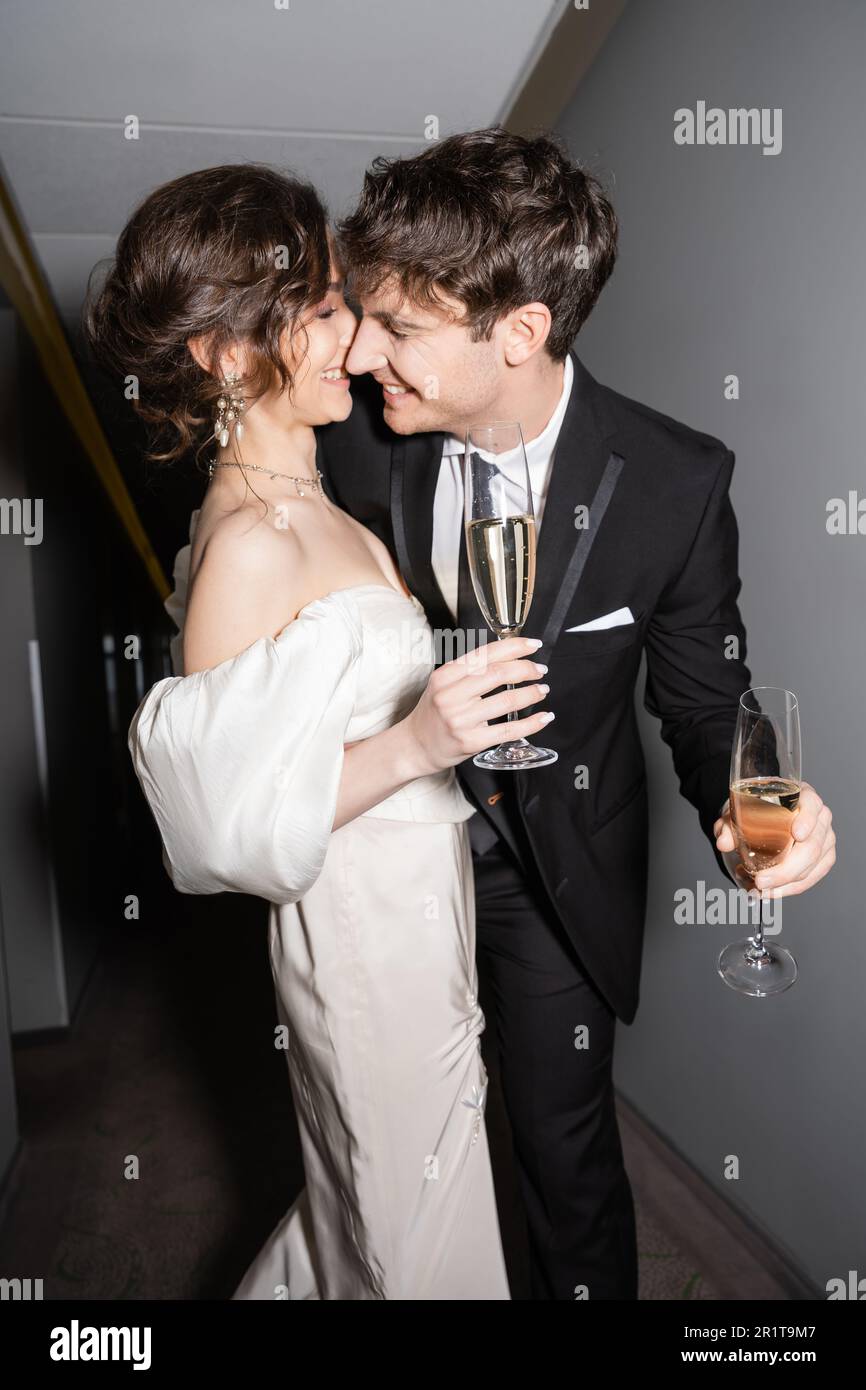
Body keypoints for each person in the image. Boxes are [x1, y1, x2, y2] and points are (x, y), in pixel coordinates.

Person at [317, 127, 838, 1300]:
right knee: (381, 1148)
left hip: (549, 870)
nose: (357, 349)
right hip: (377, 848)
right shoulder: (341, 439)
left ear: (518, 331)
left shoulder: (675, 480)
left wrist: (754, 798)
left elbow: (706, 700)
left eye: (395, 326)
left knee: (564, 1158)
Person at [83, 163, 557, 1299]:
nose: (356, 340)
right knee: (403, 1234)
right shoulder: (247, 541)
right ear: (226, 353)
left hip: (417, 909)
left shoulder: (318, 501)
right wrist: (418, 745)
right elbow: (223, 833)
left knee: (392, 1205)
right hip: (356, 939)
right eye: (326, 310)